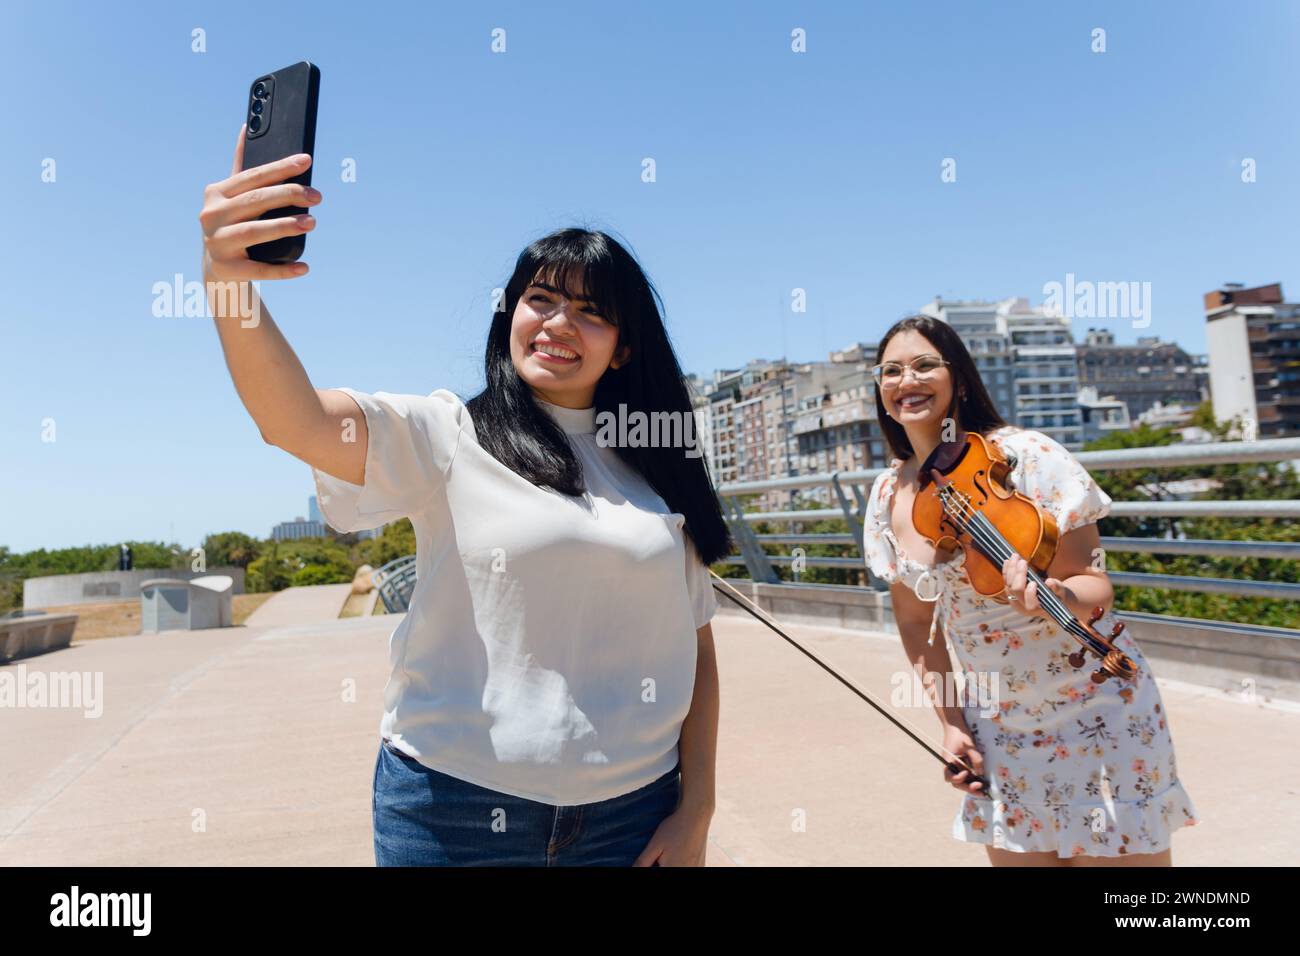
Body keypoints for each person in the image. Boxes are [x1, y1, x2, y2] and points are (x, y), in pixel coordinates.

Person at [199, 126, 731, 866]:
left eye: (591, 311)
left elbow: (696, 647)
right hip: (455, 813)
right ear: (508, 314)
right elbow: (290, 419)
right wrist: (228, 281)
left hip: (634, 819)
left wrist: (697, 807)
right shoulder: (448, 433)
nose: (557, 323)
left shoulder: (659, 468)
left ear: (626, 346)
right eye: (540, 299)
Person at [861, 315, 1198, 866]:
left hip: (1096, 705)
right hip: (1000, 726)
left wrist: (1060, 598)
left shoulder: (1025, 458)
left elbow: (1096, 585)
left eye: (925, 365)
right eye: (891, 371)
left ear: (961, 379)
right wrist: (951, 724)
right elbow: (918, 624)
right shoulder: (887, 494)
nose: (907, 380)